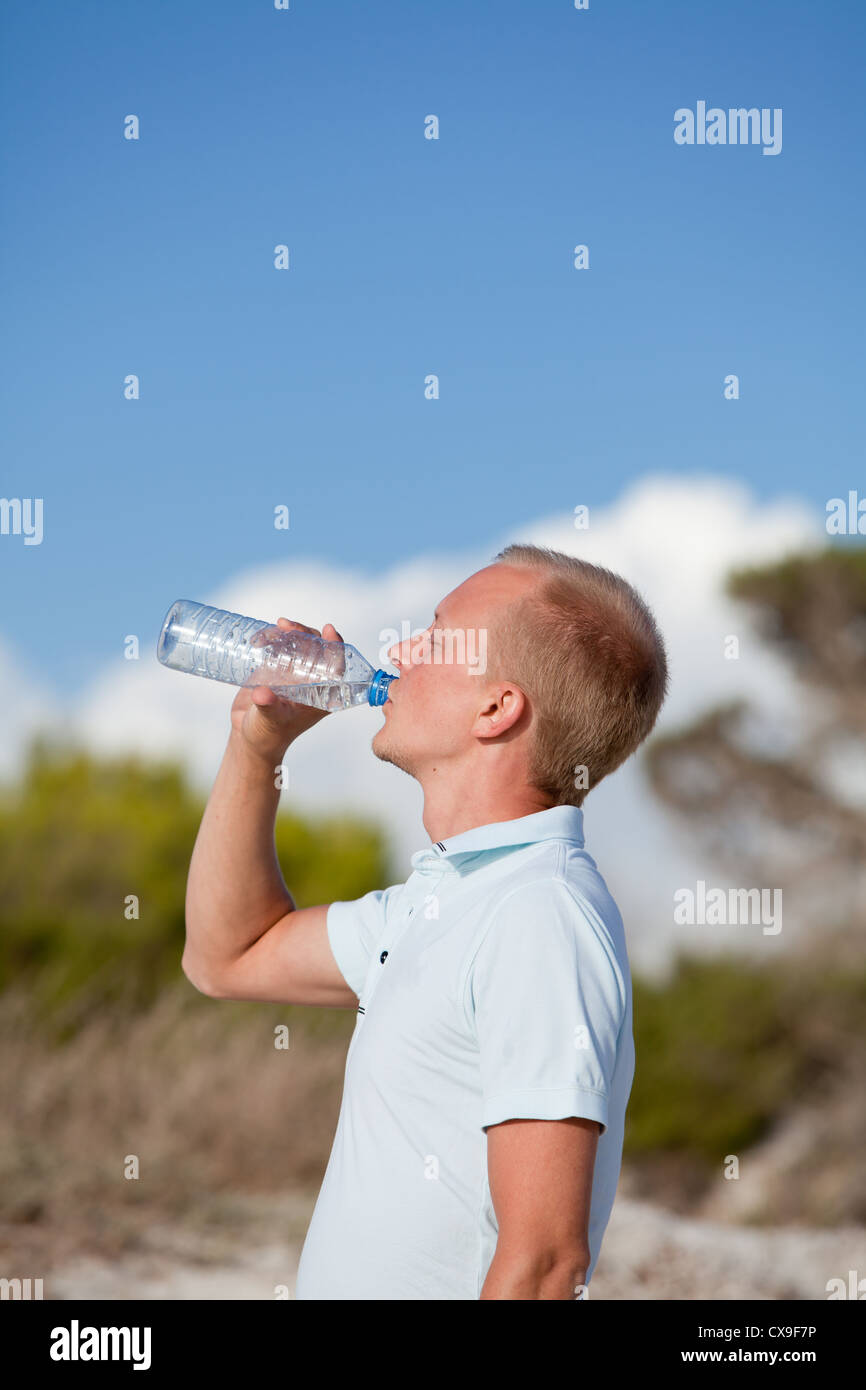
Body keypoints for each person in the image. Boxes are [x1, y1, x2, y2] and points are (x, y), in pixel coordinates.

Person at [182, 542, 669, 1299]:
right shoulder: (445, 899)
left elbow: (545, 1264)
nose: (401, 649)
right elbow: (229, 955)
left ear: (496, 708)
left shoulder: (538, 915)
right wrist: (257, 744)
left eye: (437, 638)